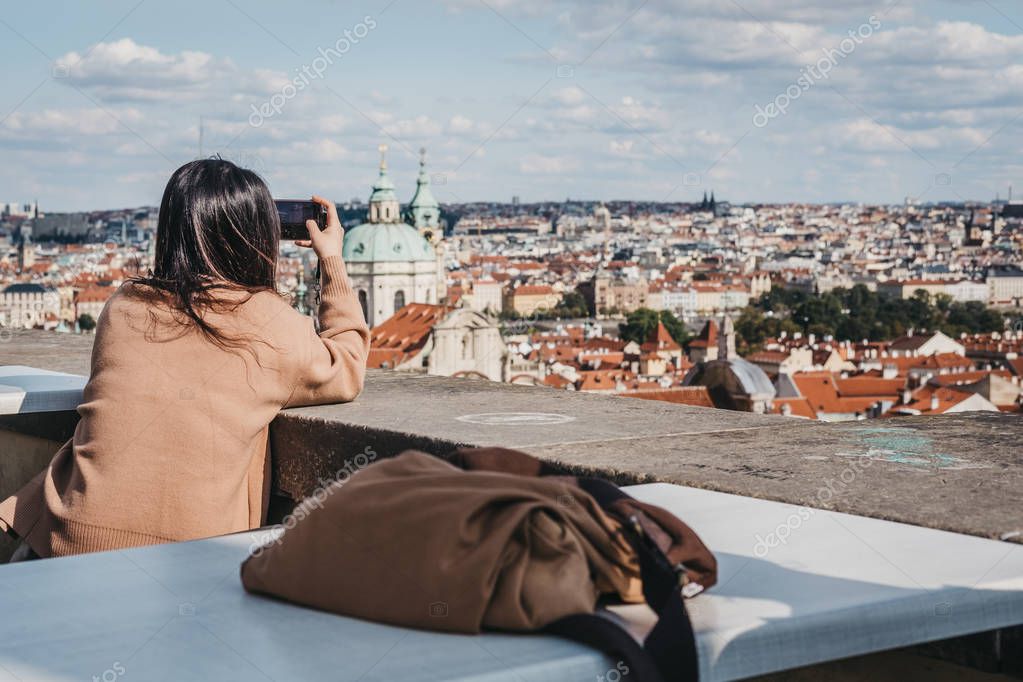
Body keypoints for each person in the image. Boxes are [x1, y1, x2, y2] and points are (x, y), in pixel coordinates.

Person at [1, 159, 369, 561]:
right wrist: (331, 258)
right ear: (261, 236)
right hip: (194, 556)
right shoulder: (273, 323)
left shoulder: (125, 306)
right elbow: (348, 367)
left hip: (67, 538)